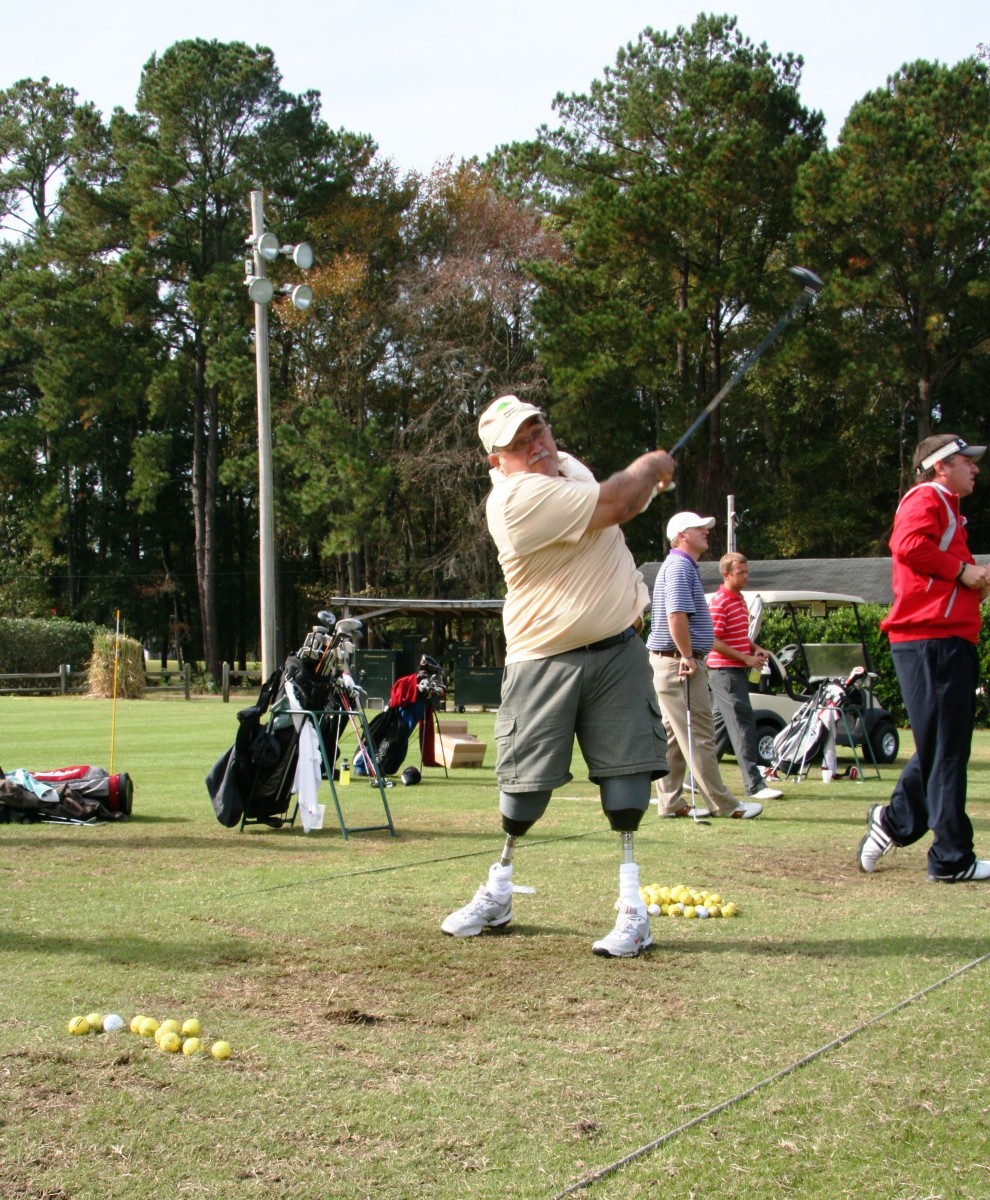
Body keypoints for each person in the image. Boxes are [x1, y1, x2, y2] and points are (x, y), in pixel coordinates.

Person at [441, 394, 675, 957]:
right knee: (523, 795)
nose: (534, 445)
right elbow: (619, 502)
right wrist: (648, 469)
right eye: (517, 444)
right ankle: (498, 892)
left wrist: (640, 485)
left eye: (536, 429)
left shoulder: (567, 466)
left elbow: (617, 504)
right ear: (495, 462)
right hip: (542, 657)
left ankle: (632, 911)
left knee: (626, 788)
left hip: (617, 651)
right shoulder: (515, 501)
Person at [858, 433, 990, 882]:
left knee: (942, 746)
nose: (974, 468)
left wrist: (969, 579)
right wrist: (962, 571)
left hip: (942, 640)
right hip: (930, 640)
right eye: (965, 461)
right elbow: (907, 545)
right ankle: (951, 858)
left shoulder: (947, 507)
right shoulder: (927, 497)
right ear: (939, 466)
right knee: (946, 751)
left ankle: (895, 823)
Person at [646, 513, 763, 820]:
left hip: (672, 661)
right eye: (699, 528)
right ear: (681, 535)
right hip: (679, 662)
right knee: (699, 733)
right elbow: (676, 616)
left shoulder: (680, 566)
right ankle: (723, 804)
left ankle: (670, 801)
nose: (706, 532)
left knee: (673, 736)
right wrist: (686, 655)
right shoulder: (680, 567)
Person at [707, 552, 783, 802]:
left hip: (732, 671)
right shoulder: (720, 601)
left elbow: (737, 636)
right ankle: (754, 784)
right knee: (742, 724)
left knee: (720, 730)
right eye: (741, 573)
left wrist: (753, 648)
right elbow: (713, 641)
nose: (746, 577)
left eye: (747, 572)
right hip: (725, 673)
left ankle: (695, 781)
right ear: (727, 574)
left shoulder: (739, 600)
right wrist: (746, 659)